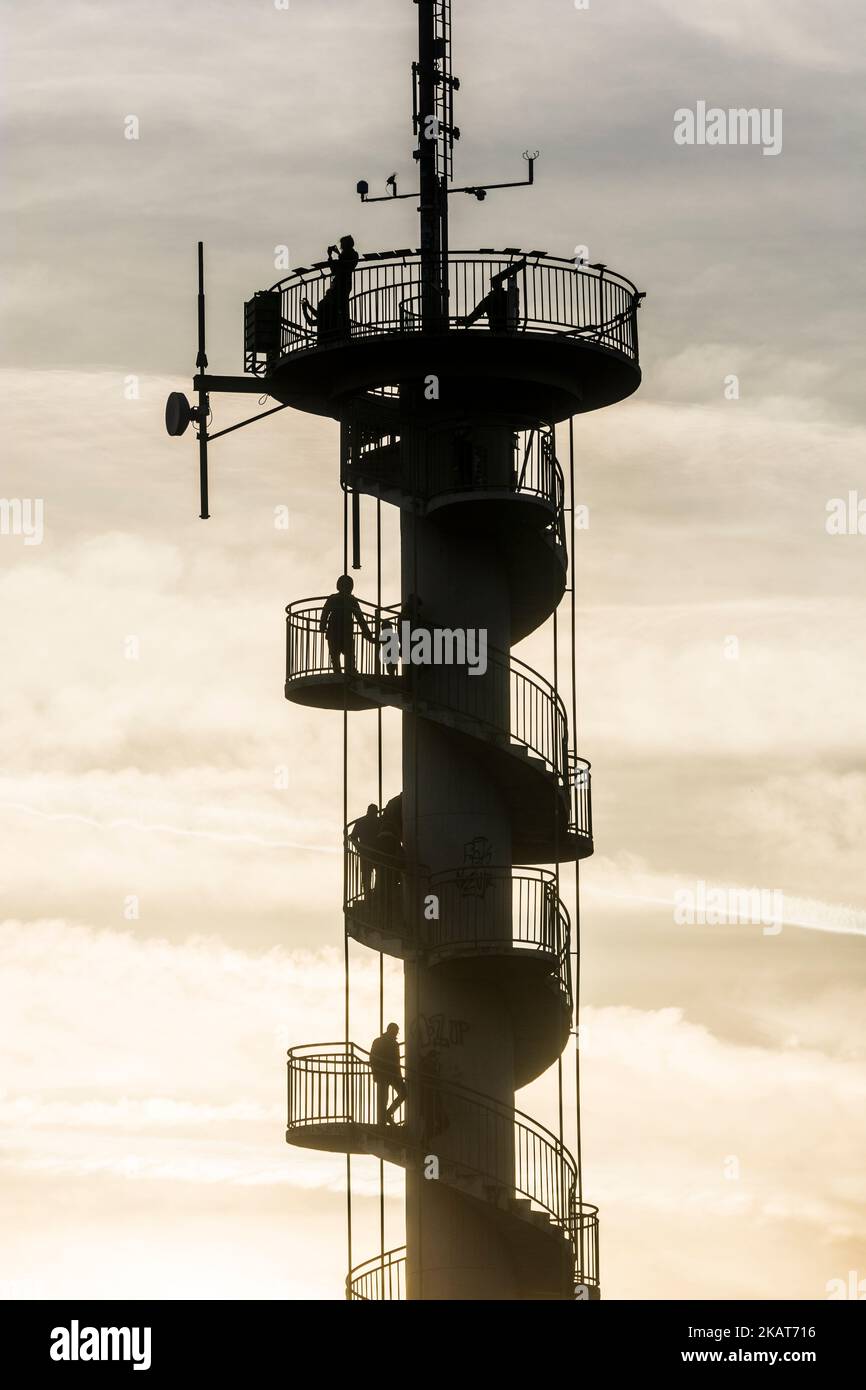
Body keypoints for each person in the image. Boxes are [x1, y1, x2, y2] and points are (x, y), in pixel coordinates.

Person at [302, 235, 359, 340]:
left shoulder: (351, 254)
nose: (341, 247)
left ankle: (342, 328)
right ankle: (343, 328)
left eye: (342, 245)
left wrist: (332, 256)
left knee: (336, 307)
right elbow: (336, 267)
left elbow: (339, 266)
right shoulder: (349, 255)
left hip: (342, 285)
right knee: (335, 308)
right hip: (342, 285)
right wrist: (332, 256)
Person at [320, 575, 373, 675]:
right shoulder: (348, 600)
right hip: (340, 631)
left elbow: (325, 612)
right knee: (342, 654)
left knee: (340, 654)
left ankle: (345, 672)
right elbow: (360, 618)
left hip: (338, 632)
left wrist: (322, 626)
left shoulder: (337, 598)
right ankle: (348, 671)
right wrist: (367, 634)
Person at [462, 257, 527, 332]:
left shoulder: (489, 299)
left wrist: (466, 322)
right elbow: (516, 311)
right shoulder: (507, 296)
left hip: (495, 328)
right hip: (508, 328)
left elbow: (477, 312)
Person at [369, 1022, 406, 1127]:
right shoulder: (381, 1042)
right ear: (391, 1030)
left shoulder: (382, 1042)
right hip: (386, 1075)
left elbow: (372, 1059)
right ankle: (383, 1120)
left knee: (401, 1094)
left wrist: (375, 1073)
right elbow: (373, 1059)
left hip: (389, 1075)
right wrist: (376, 1073)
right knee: (385, 1099)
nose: (396, 1035)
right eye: (396, 1032)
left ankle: (386, 1115)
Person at [350, 803, 380, 899]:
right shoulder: (379, 822)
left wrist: (360, 848)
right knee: (379, 872)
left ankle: (368, 894)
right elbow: (353, 837)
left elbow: (353, 837)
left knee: (366, 874)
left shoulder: (360, 822)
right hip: (376, 852)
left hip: (366, 852)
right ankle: (375, 892)